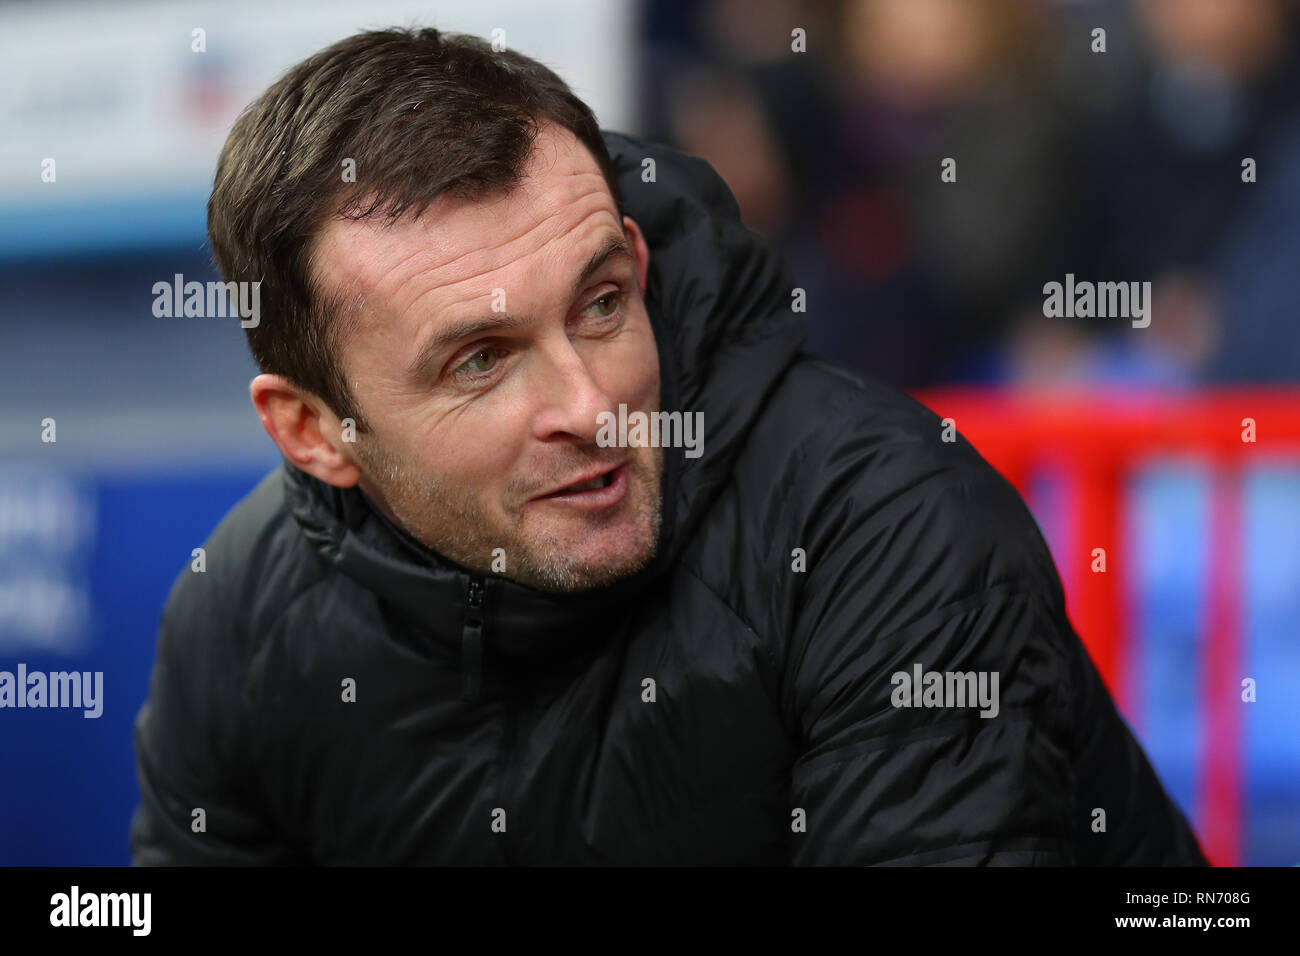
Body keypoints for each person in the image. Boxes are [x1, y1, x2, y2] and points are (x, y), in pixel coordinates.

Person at [130, 27, 1206, 865]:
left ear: (637, 260)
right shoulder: (240, 613)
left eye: (600, 303)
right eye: (480, 361)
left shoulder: (886, 524)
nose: (589, 402)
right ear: (313, 431)